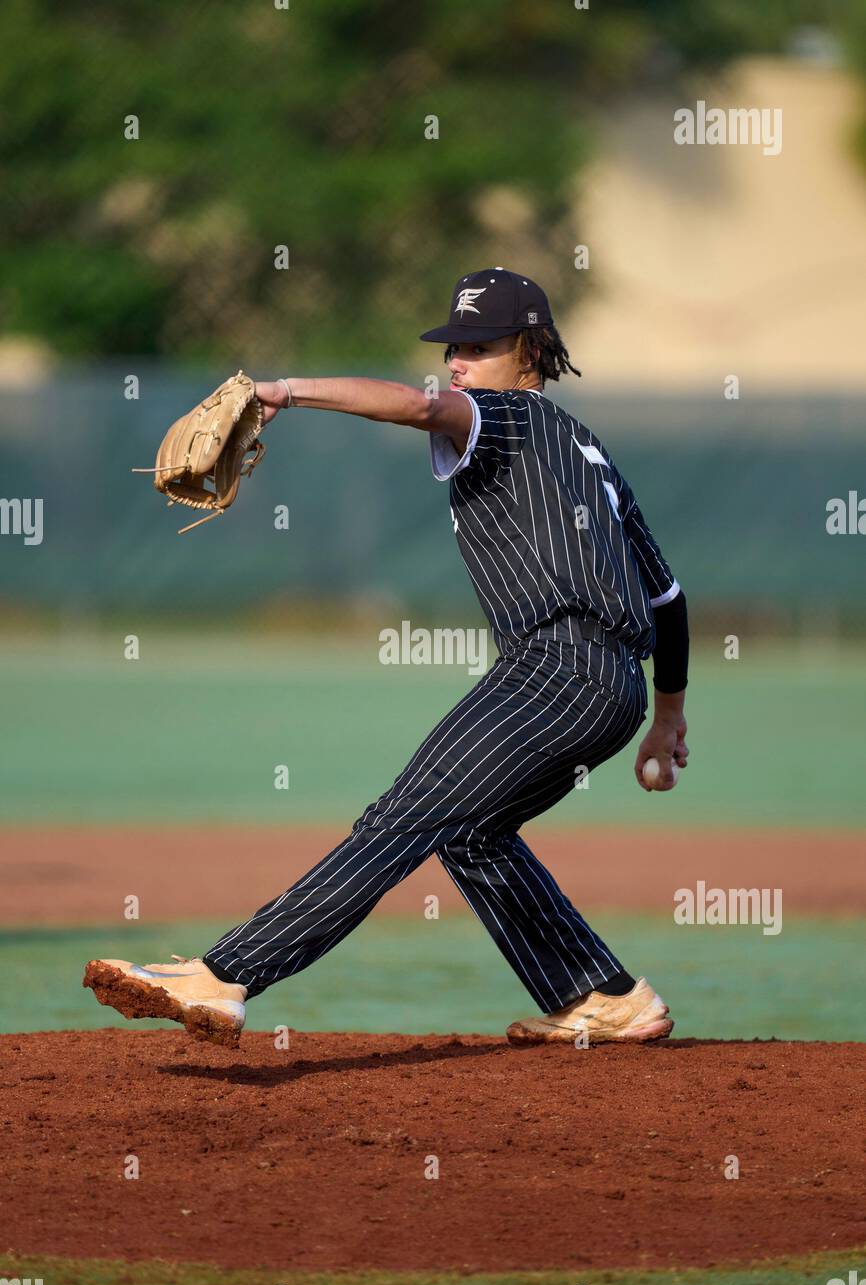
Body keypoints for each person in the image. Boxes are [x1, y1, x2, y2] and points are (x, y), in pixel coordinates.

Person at [84, 268, 689, 1049]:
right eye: (453, 346)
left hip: (555, 669)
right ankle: (599, 996)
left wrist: (285, 392)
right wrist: (664, 717)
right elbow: (668, 597)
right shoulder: (589, 450)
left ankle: (225, 975)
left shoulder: (505, 416)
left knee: (401, 818)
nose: (458, 361)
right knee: (470, 832)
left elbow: (421, 405)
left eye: (480, 345)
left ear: (531, 350)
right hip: (611, 690)